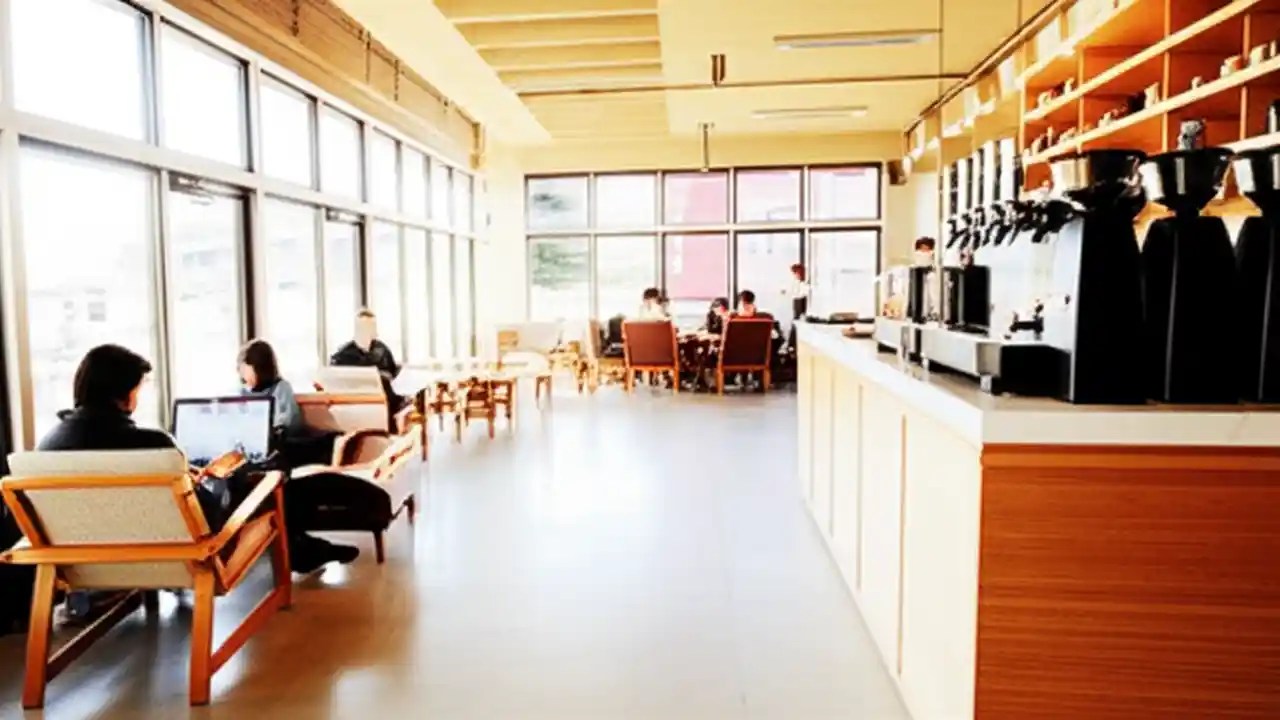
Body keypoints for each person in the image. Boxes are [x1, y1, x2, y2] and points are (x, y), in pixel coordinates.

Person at [40, 345, 358, 583]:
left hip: (81, 562)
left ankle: (307, 548)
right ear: (126, 394)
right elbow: (207, 515)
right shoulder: (151, 445)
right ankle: (305, 550)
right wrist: (218, 479)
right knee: (263, 483)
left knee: (262, 481)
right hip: (172, 555)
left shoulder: (48, 447)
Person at [239, 339, 336, 468]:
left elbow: (290, 420)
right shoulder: (241, 393)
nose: (243, 374)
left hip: (277, 441)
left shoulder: (280, 387)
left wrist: (269, 428)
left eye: (246, 369)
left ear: (260, 367)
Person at [330, 309, 407, 423]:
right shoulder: (342, 355)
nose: (369, 331)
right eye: (364, 327)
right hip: (358, 404)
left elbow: (394, 375)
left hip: (386, 401)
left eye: (372, 326)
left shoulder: (382, 349)